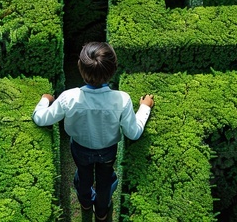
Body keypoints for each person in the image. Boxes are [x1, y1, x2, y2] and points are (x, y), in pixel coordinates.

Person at [32, 42, 154, 221]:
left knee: (83, 176)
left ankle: (86, 202)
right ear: (113, 70)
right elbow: (133, 133)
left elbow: (40, 118)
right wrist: (144, 108)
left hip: (80, 149)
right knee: (105, 181)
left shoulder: (69, 97)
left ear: (80, 68)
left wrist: (44, 100)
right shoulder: (122, 99)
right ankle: (102, 211)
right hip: (108, 152)